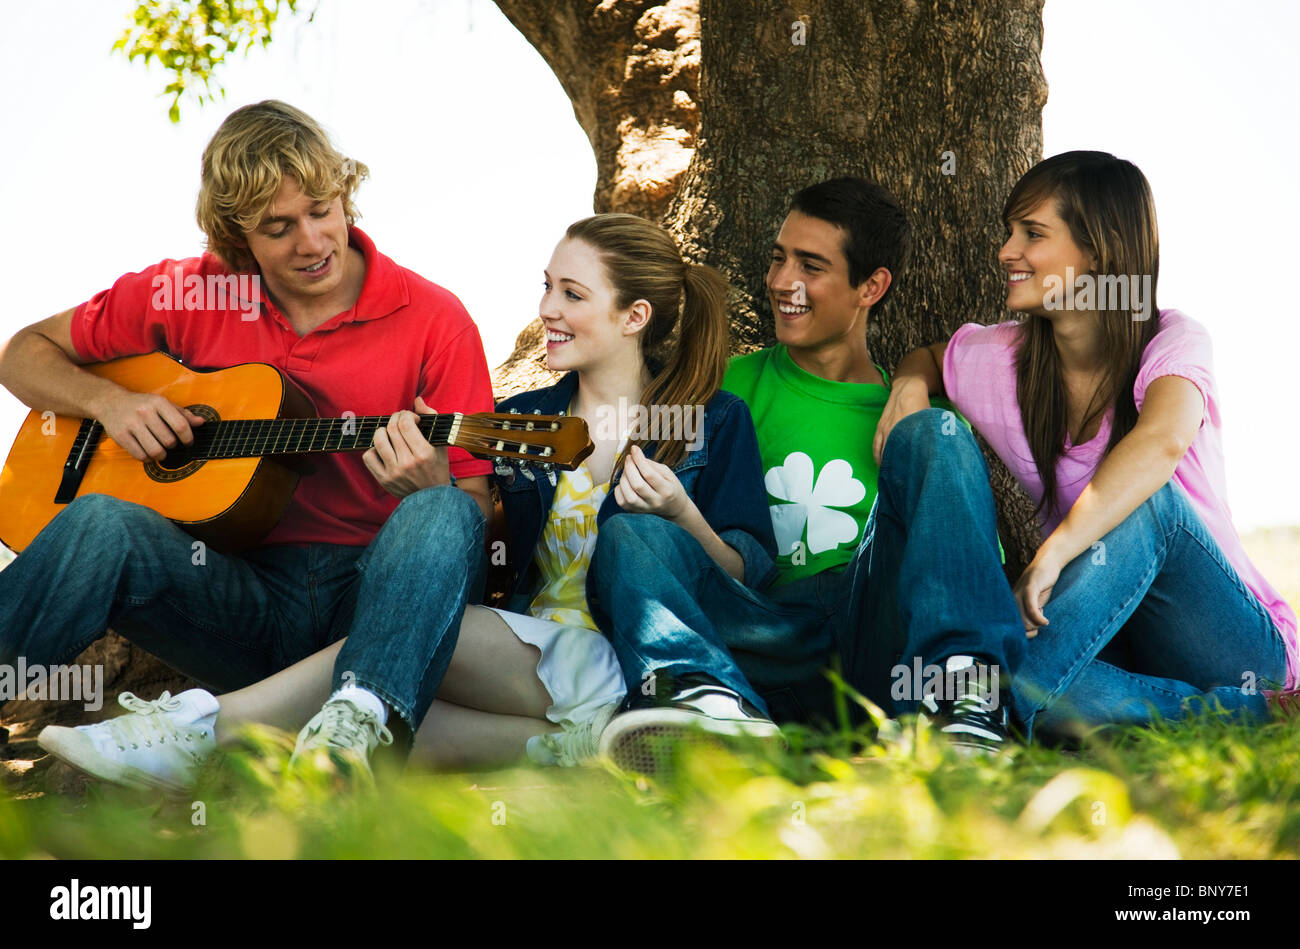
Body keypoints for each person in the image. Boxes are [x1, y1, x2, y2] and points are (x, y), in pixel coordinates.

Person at [33, 212, 779, 787]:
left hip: (630, 659)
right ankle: (587, 749)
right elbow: (482, 560)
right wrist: (431, 493)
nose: (547, 307)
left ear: (634, 317)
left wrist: (682, 513)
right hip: (522, 673)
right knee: (364, 711)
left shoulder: (713, 424)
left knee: (366, 669)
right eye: (545, 285)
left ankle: (189, 728)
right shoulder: (518, 424)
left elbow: (747, 577)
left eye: (571, 293)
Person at [0, 100, 497, 789]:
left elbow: (475, 510)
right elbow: (22, 352)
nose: (313, 240)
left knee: (441, 514)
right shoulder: (190, 293)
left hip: (380, 602)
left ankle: (356, 738)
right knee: (99, 522)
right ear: (237, 238)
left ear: (345, 194)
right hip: (242, 601)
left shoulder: (435, 319)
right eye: (278, 227)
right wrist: (109, 402)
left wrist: (432, 488)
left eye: (323, 209)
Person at [592, 177, 1029, 766]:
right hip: (759, 640)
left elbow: (965, 574)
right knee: (631, 533)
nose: (780, 282)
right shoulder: (716, 389)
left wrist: (910, 384)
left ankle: (962, 708)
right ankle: (713, 710)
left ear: (871, 287)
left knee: (938, 434)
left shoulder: (919, 419)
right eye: (778, 259)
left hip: (880, 644)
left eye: (811, 266)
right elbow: (640, 527)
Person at [876, 150, 1298, 739]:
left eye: (1033, 233)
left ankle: (969, 702)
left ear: (1097, 251)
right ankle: (1246, 716)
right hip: (1102, 638)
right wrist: (908, 384)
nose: (1005, 251)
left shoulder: (1172, 340)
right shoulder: (1000, 361)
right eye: (1009, 232)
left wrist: (1053, 553)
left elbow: (1162, 445)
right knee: (1029, 686)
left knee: (1152, 500)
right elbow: (929, 358)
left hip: (1228, 640)